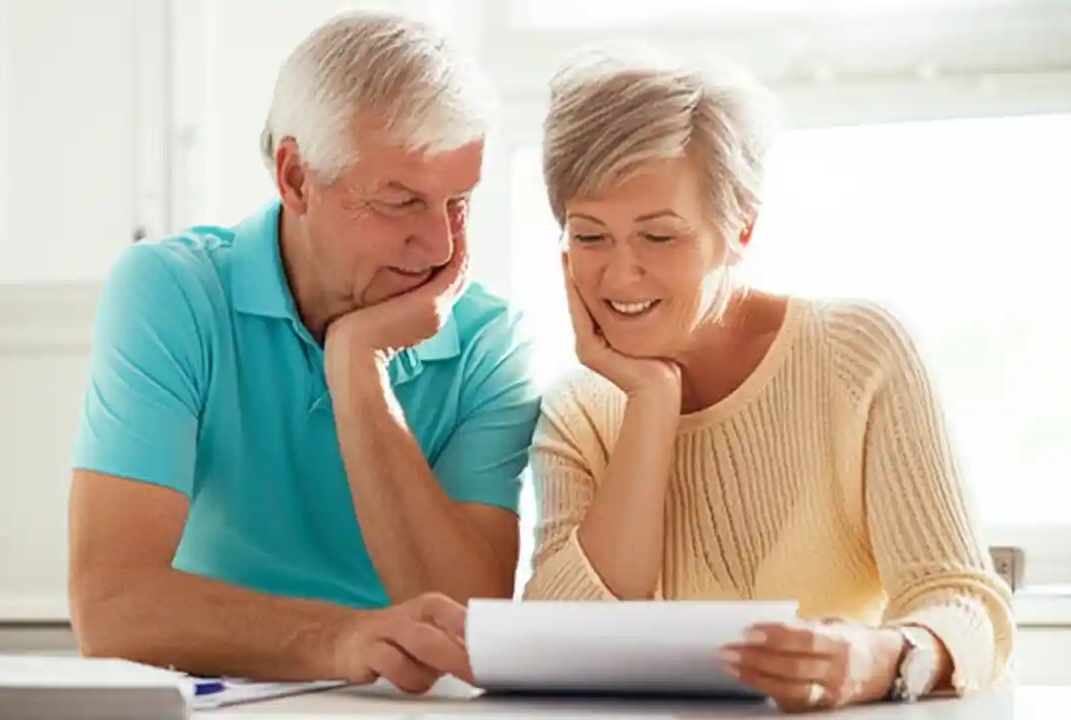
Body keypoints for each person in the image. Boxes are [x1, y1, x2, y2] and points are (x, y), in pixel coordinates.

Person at [524, 47, 1015, 713]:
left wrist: (876, 658)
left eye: (659, 237)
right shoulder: (580, 408)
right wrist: (650, 401)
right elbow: (560, 640)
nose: (618, 275)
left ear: (740, 228)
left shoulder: (857, 354)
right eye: (590, 237)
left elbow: (962, 600)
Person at [68, 11, 540, 693]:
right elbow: (110, 608)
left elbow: (468, 624)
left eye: (458, 202)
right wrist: (342, 637)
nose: (440, 246)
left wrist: (358, 367)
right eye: (401, 201)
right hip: (222, 700)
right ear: (295, 178)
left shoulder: (491, 340)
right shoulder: (172, 292)